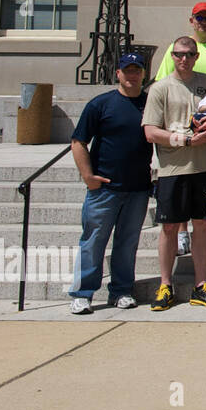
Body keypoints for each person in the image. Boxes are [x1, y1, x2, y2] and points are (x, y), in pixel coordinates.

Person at [142, 36, 206, 310]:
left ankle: (201, 285)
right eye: (180, 54)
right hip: (174, 168)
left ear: (196, 56)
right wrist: (184, 140)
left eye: (190, 54)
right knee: (170, 227)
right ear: (172, 56)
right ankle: (165, 284)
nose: (184, 59)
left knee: (203, 225)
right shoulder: (161, 88)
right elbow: (150, 131)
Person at [67, 52, 153, 314]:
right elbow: (78, 142)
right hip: (104, 188)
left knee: (127, 242)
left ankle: (122, 290)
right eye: (127, 70)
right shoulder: (101, 104)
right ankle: (83, 293)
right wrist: (88, 177)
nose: (132, 74)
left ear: (143, 73)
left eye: (136, 69)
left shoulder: (149, 104)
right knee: (94, 241)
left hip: (137, 188)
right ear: (118, 73)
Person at [154, 2, 206, 80]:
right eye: (199, 18)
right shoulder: (177, 47)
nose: (203, 22)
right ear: (191, 21)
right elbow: (162, 80)